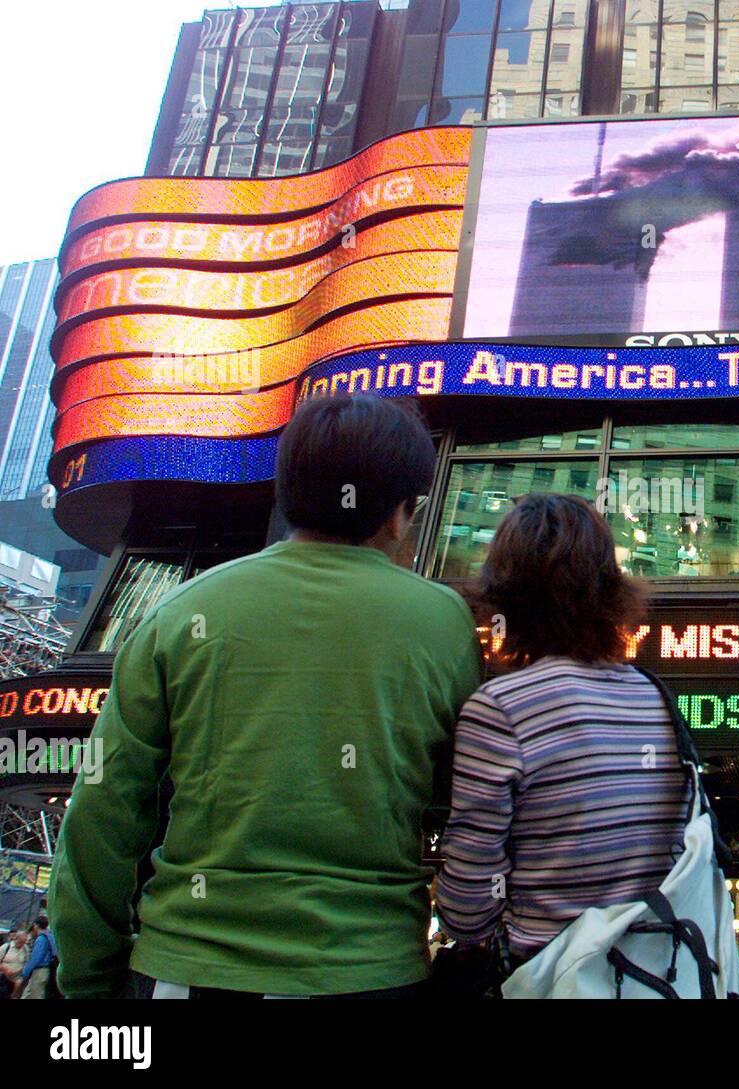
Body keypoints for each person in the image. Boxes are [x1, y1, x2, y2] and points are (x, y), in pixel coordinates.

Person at [48, 394, 483, 998]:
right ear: (399, 515)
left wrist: (90, 977)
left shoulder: (183, 611)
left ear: (289, 493)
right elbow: (459, 802)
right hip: (372, 969)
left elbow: (102, 809)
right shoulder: (444, 623)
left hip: (185, 967)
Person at [437, 495, 690, 965]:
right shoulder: (657, 699)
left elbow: (466, 912)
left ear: (503, 591)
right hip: (656, 975)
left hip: (548, 975)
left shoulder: (499, 711)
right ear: (610, 586)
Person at [18, 917, 54, 999]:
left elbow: (35, 959)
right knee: (26, 995)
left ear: (35, 926)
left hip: (39, 971)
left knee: (36, 996)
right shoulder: (50, 936)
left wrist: (25, 972)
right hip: (44, 971)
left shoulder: (41, 939)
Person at [0, 928, 28, 998]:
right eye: (21, 942)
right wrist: (5, 969)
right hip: (4, 978)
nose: (22, 944)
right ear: (16, 939)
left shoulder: (25, 948)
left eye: (24, 942)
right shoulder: (5, 947)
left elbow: (27, 962)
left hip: (17, 980)